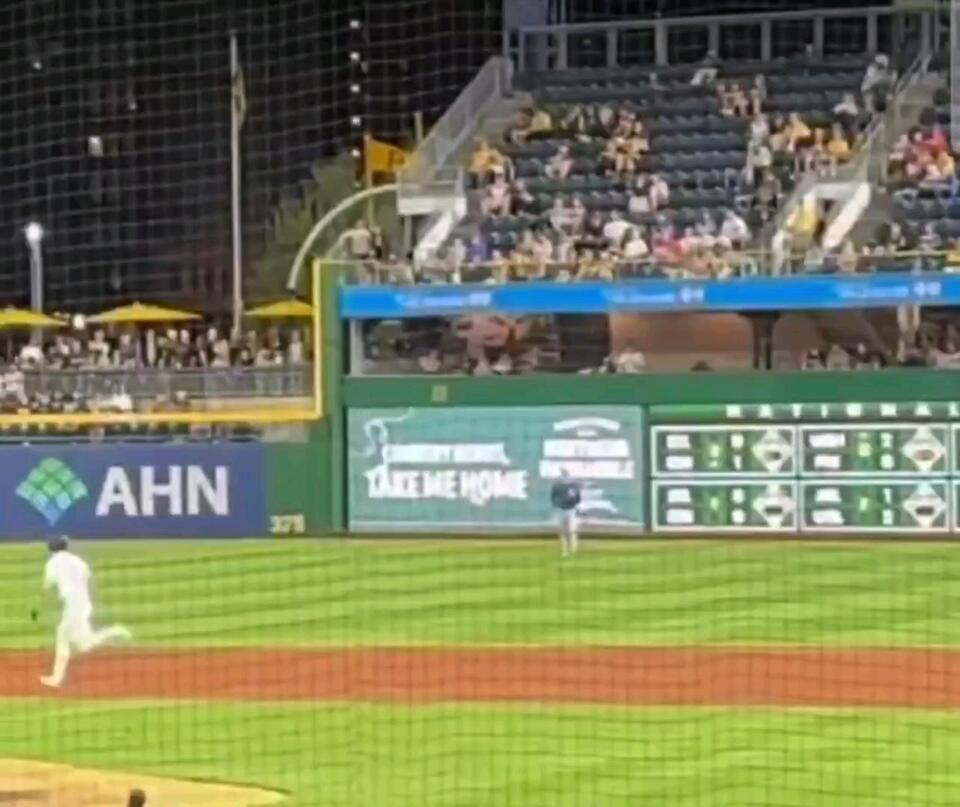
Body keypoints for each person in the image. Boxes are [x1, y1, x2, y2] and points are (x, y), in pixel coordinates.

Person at [39, 535, 131, 688]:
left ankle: (56, 678)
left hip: (73, 605)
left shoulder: (52, 564)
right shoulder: (78, 561)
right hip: (84, 603)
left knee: (63, 635)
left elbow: (47, 587)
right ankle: (116, 631)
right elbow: (87, 578)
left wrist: (41, 606)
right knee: (83, 644)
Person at [550, 471, 581, 557]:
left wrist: (574, 504)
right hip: (561, 509)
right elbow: (553, 497)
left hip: (571, 510)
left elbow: (578, 498)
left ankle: (573, 548)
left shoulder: (573, 486)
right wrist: (557, 505)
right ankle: (565, 550)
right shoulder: (557, 486)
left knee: (571, 530)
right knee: (562, 531)